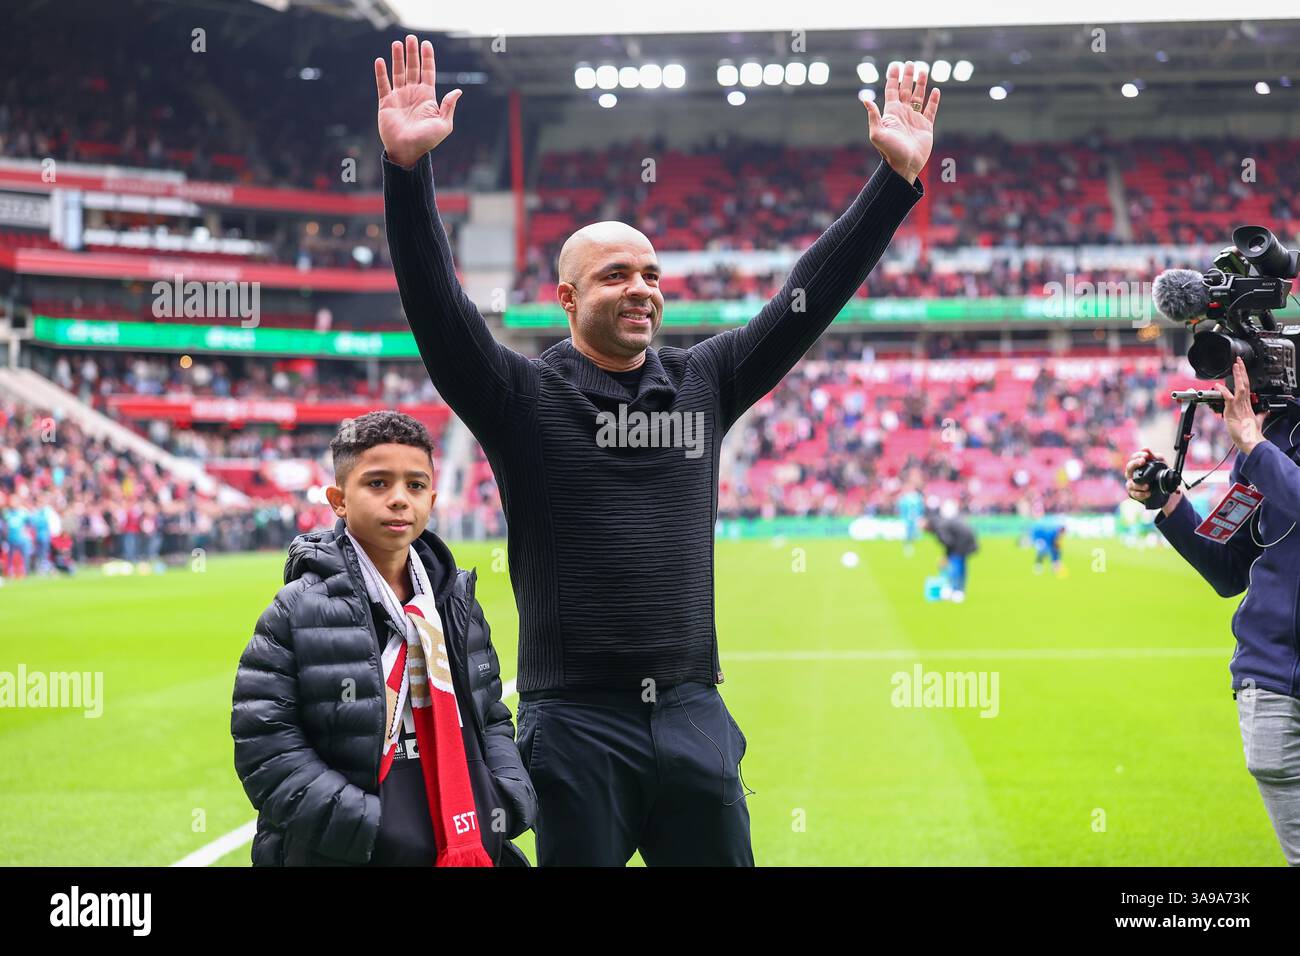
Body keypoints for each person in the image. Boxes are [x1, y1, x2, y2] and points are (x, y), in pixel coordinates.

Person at [375, 35, 938, 865]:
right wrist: (406, 172)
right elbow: (436, 306)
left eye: (651, 274)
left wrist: (893, 185)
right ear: (566, 298)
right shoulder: (521, 398)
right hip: (572, 723)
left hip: (691, 711)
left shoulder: (706, 378)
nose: (641, 288)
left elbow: (804, 302)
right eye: (615, 276)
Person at [231, 411, 536, 866]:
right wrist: (372, 826)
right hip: (353, 853)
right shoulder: (297, 609)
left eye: (414, 486)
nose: (399, 499)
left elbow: (490, 715)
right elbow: (266, 747)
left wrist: (503, 795)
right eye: (377, 484)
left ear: (432, 497)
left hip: (463, 839)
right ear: (338, 499)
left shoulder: (454, 601)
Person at [1126, 356, 1300, 866]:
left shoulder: (1261, 448)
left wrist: (1255, 445)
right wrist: (1169, 502)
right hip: (1269, 681)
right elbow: (1228, 568)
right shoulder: (1271, 446)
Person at [920, 509, 978, 603]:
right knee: (960, 565)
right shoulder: (939, 523)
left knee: (956, 565)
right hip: (966, 539)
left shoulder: (939, 527)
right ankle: (958, 590)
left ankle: (955, 591)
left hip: (962, 542)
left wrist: (945, 557)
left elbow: (948, 542)